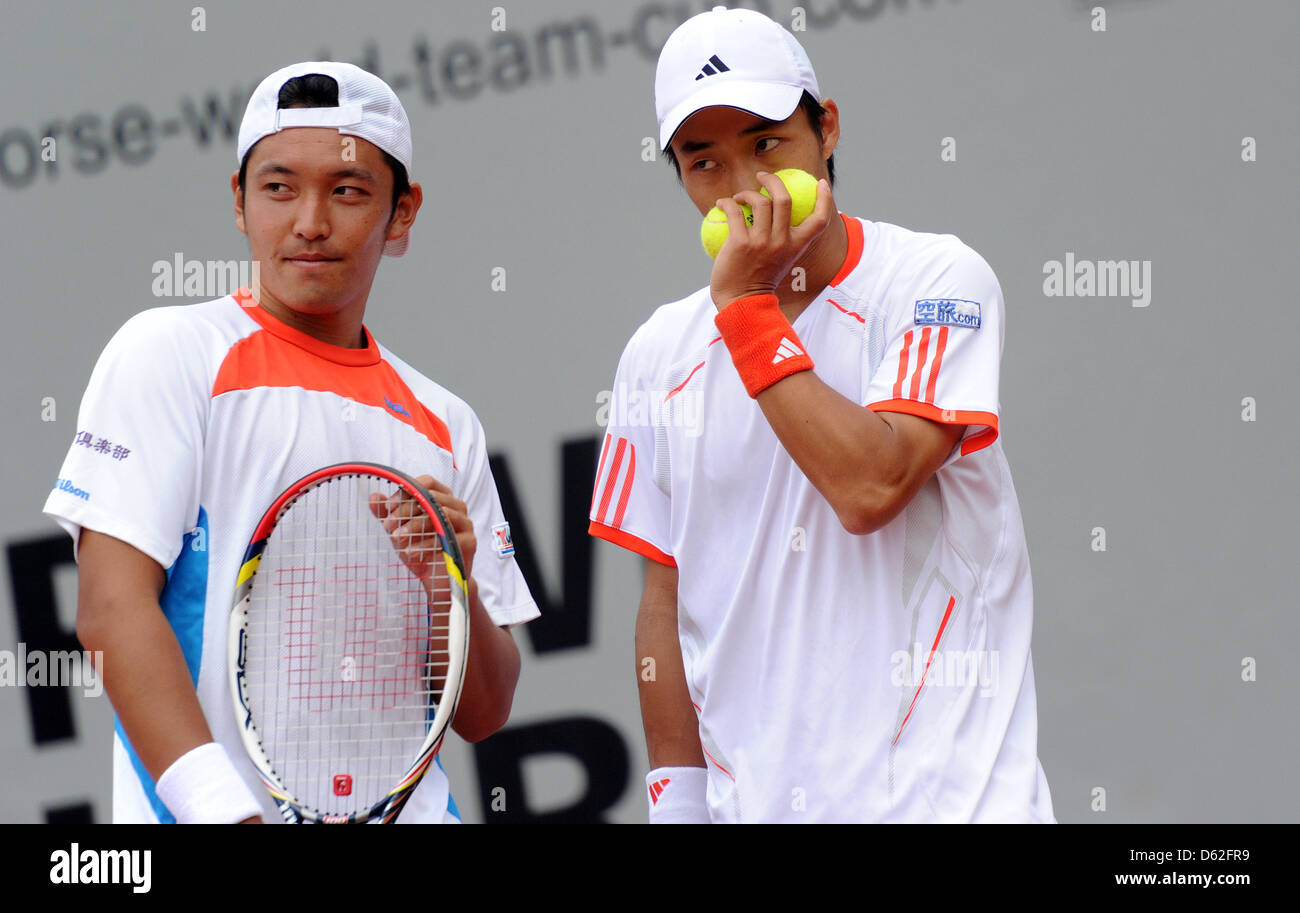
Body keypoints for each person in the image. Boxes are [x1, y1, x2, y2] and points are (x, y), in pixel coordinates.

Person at [589, 7, 1054, 823]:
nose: (745, 188)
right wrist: (677, 806)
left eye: (767, 144)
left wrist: (744, 311)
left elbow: (872, 486)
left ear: (826, 127)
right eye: (706, 162)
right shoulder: (656, 355)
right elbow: (664, 604)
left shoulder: (938, 281)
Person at [42, 61, 538, 824]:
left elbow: (485, 710)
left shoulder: (447, 423)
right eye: (278, 188)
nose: (310, 221)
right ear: (239, 202)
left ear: (401, 214)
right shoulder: (169, 353)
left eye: (347, 191)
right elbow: (110, 610)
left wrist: (451, 587)